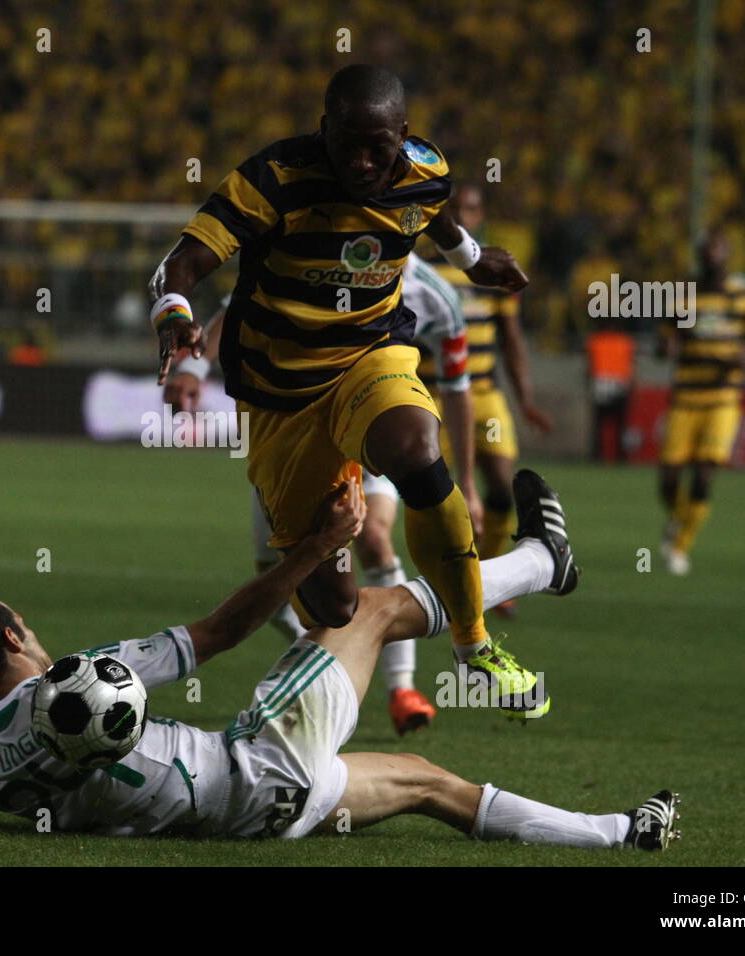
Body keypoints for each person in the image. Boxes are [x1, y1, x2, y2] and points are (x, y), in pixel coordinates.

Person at [0, 471, 678, 849]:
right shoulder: (92, 678)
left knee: (428, 783)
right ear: (14, 638)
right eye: (24, 619)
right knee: (364, 611)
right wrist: (314, 549)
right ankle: (543, 563)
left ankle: (620, 834)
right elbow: (221, 631)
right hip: (262, 761)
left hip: (253, 818)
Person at [148, 64, 553, 718]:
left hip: (370, 357)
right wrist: (174, 317)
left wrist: (474, 259)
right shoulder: (273, 180)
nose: (363, 162)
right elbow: (184, 262)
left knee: (418, 453)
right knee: (334, 606)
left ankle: (473, 642)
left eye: (379, 147)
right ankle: (533, 566)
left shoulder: (425, 170)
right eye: (347, 144)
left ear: (404, 137)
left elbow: (437, 213)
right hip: (281, 396)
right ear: (322, 129)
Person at [165, 252, 480, 734]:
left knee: (374, 537)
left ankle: (402, 687)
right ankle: (331, 659)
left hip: (371, 418)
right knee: (280, 577)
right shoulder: (316, 249)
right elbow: (238, 309)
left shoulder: (436, 294)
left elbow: (458, 386)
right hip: (296, 430)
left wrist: (469, 485)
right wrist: (194, 369)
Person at [422, 184, 555, 616]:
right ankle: (451, 580)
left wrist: (526, 399)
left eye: (472, 209)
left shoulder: (491, 270)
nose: (464, 215)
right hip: (435, 395)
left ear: (481, 217)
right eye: (455, 209)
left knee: (501, 488)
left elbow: (511, 340)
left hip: (484, 393)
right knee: (445, 498)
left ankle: (490, 571)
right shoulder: (423, 270)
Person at [658, 232, 745, 575]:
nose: (713, 258)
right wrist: (668, 347)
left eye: (718, 252)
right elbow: (665, 340)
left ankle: (680, 546)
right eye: (707, 252)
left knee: (705, 474)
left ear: (729, 255)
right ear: (700, 256)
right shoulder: (682, 295)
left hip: (723, 397)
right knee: (668, 478)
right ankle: (677, 518)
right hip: (685, 396)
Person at [586, 320, 636, 462]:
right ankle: (621, 456)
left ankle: (597, 455)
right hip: (619, 382)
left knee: (599, 423)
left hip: (601, 382)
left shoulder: (595, 340)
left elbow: (589, 365)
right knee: (621, 423)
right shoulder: (625, 341)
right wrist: (632, 384)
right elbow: (631, 364)